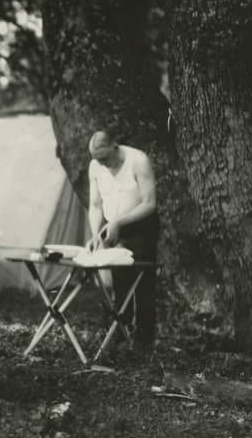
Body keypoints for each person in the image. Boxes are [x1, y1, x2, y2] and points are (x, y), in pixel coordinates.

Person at [84, 130, 159, 350]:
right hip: (112, 225)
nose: (103, 164)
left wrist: (119, 222)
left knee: (143, 284)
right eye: (97, 160)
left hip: (141, 226)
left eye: (105, 158)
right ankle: (119, 335)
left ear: (115, 145)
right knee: (119, 282)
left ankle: (144, 343)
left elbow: (149, 203)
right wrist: (97, 233)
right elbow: (96, 205)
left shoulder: (138, 161)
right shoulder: (95, 167)